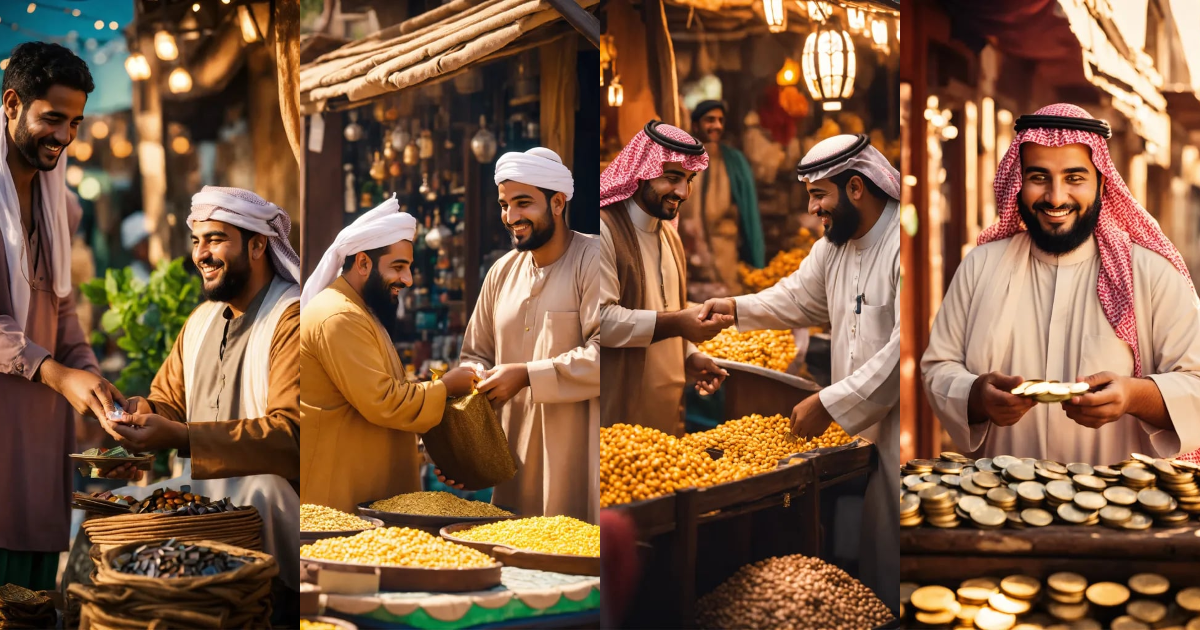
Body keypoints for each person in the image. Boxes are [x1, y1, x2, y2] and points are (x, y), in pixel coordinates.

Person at [921, 103, 1200, 465]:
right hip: (999, 508)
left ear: (1101, 183)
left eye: (1074, 178)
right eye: (1039, 178)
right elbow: (938, 368)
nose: (1055, 197)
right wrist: (976, 395)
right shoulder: (981, 266)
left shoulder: (1151, 274)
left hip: (1119, 512)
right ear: (1019, 184)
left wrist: (1134, 396)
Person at [699, 133, 901, 610]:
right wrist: (733, 307)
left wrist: (829, 403)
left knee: (891, 553)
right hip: (856, 437)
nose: (812, 209)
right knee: (863, 554)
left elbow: (902, 354)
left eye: (818, 195)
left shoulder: (898, 246)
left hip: (897, 434)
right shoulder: (833, 246)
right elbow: (795, 297)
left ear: (856, 188)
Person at [100, 187, 303, 600]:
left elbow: (292, 435)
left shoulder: (292, 318)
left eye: (215, 239)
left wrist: (181, 438)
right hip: (198, 506)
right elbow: (166, 403)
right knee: (101, 537)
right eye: (197, 241)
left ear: (259, 244)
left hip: (270, 510)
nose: (201, 254)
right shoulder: (200, 321)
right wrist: (134, 424)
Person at [0, 42, 124, 590]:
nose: (65, 136)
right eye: (52, 118)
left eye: (74, 121)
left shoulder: (62, 204)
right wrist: (55, 372)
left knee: (30, 599)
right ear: (11, 104)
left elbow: (63, 306)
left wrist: (92, 383)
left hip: (44, 433)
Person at [299, 198, 477, 513]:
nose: (407, 280)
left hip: (366, 493)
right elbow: (384, 401)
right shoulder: (339, 316)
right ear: (364, 263)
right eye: (398, 267)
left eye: (408, 267)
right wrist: (446, 387)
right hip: (342, 500)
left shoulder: (358, 311)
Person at [455, 148, 602, 522]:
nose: (511, 217)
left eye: (523, 203)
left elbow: (609, 354)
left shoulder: (594, 260)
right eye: (504, 205)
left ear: (557, 202)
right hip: (512, 459)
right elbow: (475, 354)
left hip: (574, 460)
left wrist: (525, 375)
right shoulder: (501, 272)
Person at [597, 121, 731, 436]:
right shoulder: (603, 231)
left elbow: (671, 307)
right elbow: (598, 320)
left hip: (668, 417)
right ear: (642, 172)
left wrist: (690, 354)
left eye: (689, 180)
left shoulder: (669, 238)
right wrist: (677, 324)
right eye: (672, 178)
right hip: (619, 419)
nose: (682, 192)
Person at [683, 100, 765, 302]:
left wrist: (755, 261)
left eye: (720, 120)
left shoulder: (734, 162)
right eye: (710, 120)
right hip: (689, 260)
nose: (717, 125)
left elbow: (749, 216)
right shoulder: (682, 162)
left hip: (724, 258)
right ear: (695, 125)